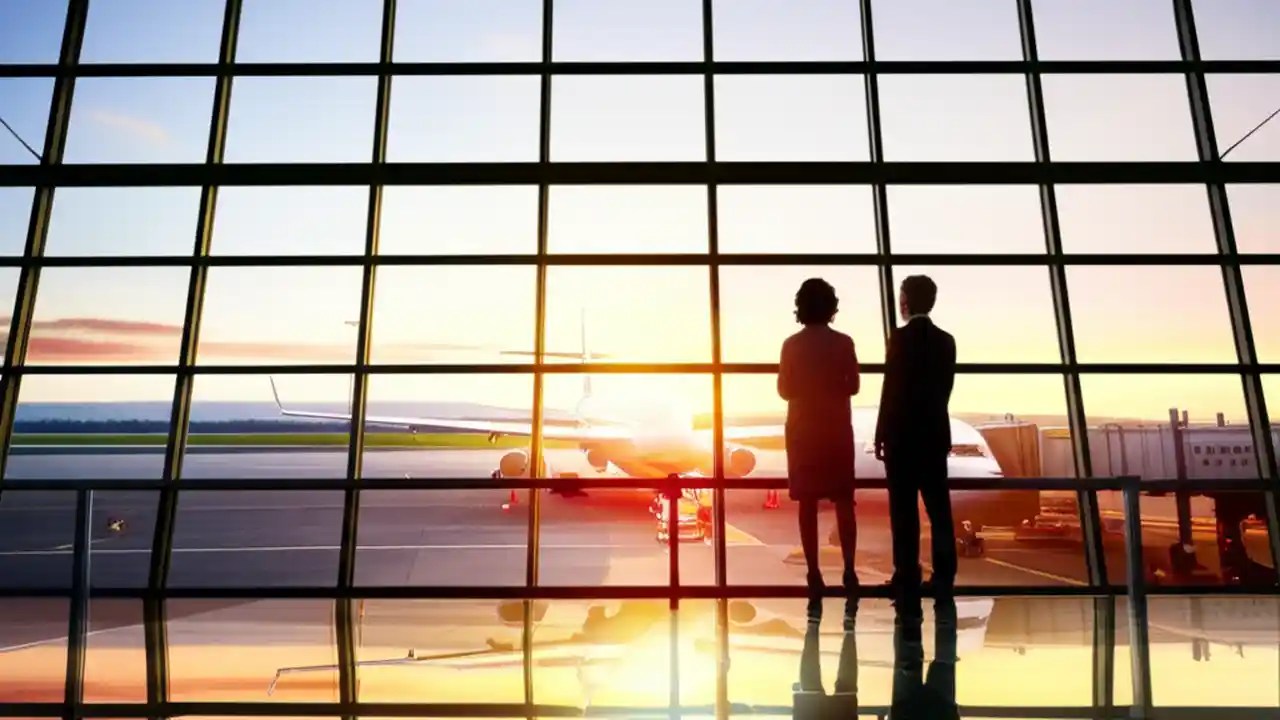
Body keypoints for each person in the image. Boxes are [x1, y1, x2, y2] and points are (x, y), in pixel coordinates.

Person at [777, 278, 861, 622]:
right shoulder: (844, 343)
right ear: (831, 306)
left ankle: (814, 572)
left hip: (802, 430)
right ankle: (850, 570)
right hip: (836, 428)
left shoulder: (791, 345)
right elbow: (853, 385)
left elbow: (784, 390)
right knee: (844, 502)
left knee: (807, 504)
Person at [875, 275, 958, 599]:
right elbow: (944, 389)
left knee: (904, 510)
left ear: (905, 301)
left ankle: (907, 573)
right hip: (934, 434)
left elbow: (891, 389)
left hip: (903, 437)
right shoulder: (946, 341)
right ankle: (944, 575)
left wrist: (883, 431)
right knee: (939, 509)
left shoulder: (900, 338)